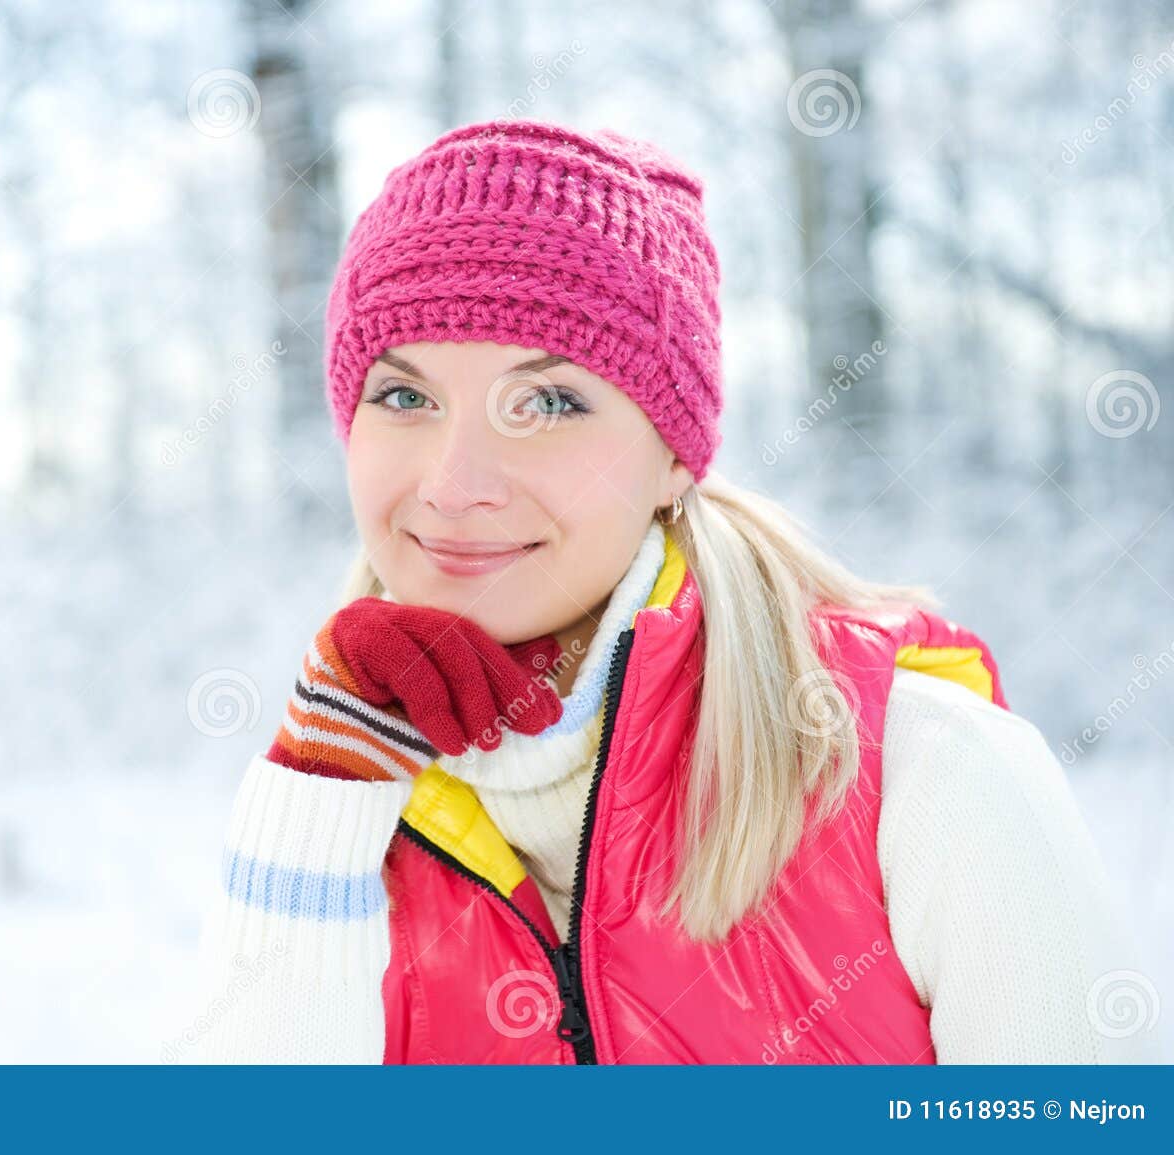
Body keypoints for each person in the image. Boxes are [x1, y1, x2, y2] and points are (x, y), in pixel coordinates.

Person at [180, 119, 1158, 1064]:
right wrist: (316, 804)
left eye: (548, 402)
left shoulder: (924, 771)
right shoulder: (335, 791)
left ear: (671, 457)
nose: (452, 480)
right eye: (403, 396)